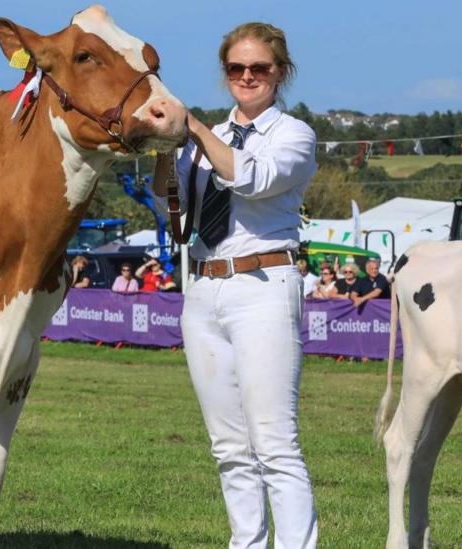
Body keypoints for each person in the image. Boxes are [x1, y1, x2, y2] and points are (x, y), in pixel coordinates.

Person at [152, 22, 318, 547]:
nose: (247, 77)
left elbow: (251, 178)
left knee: (275, 444)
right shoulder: (209, 137)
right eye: (236, 68)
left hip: (263, 284)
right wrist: (163, 147)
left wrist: (195, 129)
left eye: (259, 68)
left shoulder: (294, 134)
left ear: (280, 73)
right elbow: (167, 202)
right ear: (225, 74)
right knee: (227, 447)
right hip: (202, 288)